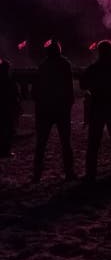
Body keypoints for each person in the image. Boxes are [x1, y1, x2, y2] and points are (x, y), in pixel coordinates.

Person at [32, 40, 76, 182]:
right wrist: (68, 104)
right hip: (61, 108)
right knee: (65, 142)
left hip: (45, 108)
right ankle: (69, 173)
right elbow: (69, 88)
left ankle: (36, 174)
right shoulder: (65, 65)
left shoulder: (43, 66)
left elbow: (36, 89)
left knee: (41, 143)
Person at [81, 40, 111, 182]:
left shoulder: (94, 68)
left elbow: (83, 84)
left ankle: (91, 173)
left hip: (98, 106)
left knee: (93, 143)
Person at [0, 60, 20, 157]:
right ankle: (5, 150)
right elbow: (14, 95)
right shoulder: (9, 81)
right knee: (8, 129)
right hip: (7, 108)